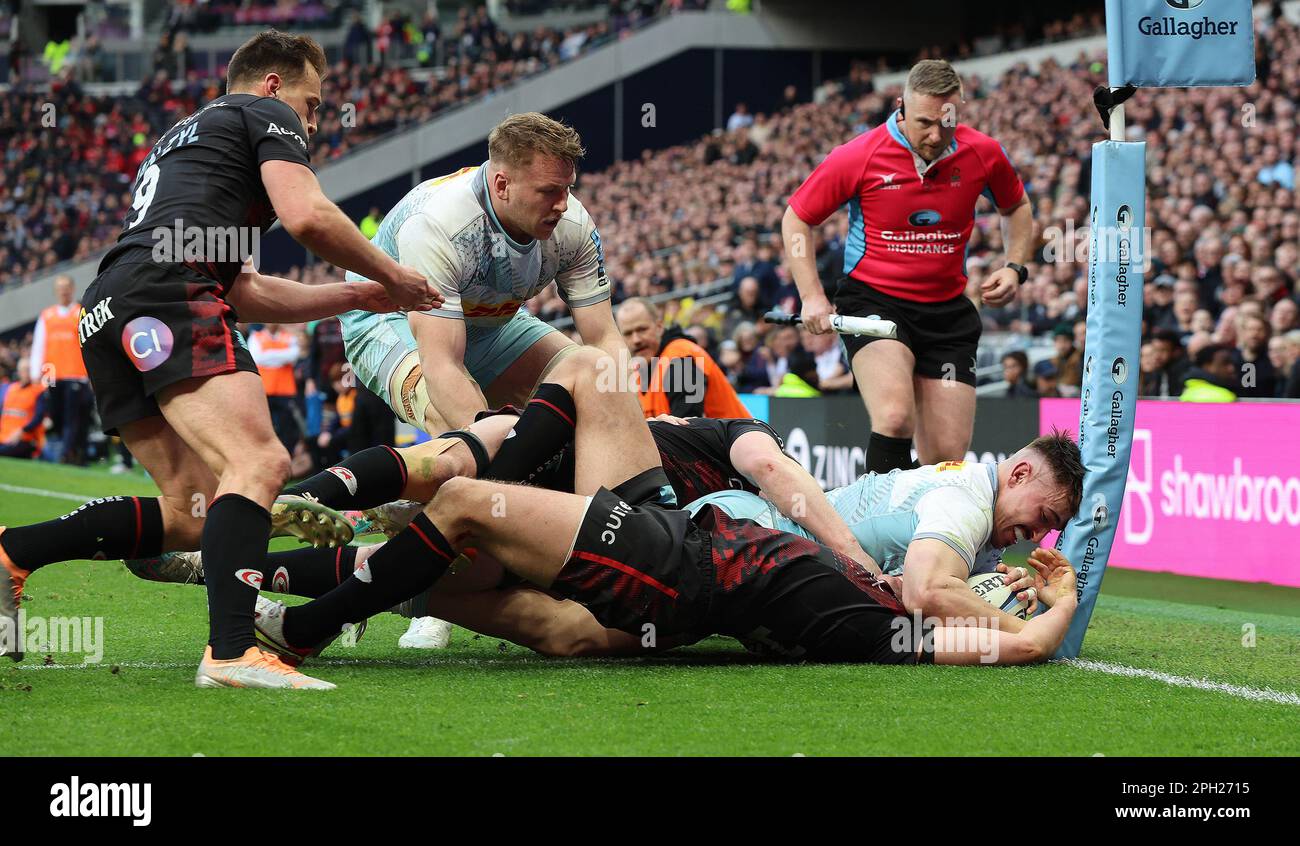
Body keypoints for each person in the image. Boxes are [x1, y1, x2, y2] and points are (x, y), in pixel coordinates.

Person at [1, 30, 438, 682]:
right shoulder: (265, 115)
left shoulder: (189, 142)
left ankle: (13, 555)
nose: (313, 120)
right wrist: (393, 276)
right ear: (272, 85)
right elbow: (308, 216)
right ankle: (231, 652)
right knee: (258, 460)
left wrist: (353, 293)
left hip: (112, 303)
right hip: (166, 292)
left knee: (191, 511)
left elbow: (244, 291)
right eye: (311, 103)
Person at [250, 343, 1081, 668]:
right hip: (669, 538)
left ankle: (345, 570)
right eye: (1044, 514)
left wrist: (1026, 608)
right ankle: (347, 549)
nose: (1037, 534)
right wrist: (1032, 609)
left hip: (679, 563)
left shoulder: (874, 604)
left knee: (553, 621)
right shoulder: (732, 440)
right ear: (1014, 475)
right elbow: (919, 581)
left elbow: (935, 600)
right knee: (493, 460)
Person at [783, 59, 1033, 474]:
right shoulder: (859, 155)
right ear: (901, 106)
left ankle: (916, 527)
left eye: (947, 123)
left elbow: (1017, 206)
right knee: (895, 417)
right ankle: (877, 529)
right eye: (924, 123)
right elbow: (796, 217)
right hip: (873, 302)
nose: (936, 135)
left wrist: (1014, 266)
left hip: (947, 310)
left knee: (946, 456)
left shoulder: (982, 153)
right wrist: (812, 296)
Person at [337, 112, 625, 439]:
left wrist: (637, 418)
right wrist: (498, 448)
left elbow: (604, 338)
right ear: (502, 185)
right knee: (454, 420)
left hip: (487, 320)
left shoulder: (574, 226)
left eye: (567, 189)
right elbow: (442, 363)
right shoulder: (440, 225)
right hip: (393, 318)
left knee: (591, 383)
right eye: (549, 191)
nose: (562, 205)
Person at [616, 297, 751, 418]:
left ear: (659, 326)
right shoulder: (638, 369)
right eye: (628, 333)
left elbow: (688, 431)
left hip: (737, 444)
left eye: (642, 329)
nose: (636, 340)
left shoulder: (681, 358)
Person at [29, 275, 92, 465]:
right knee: (55, 416)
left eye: (66, 287)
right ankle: (68, 451)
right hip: (52, 375)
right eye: (60, 287)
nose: (64, 290)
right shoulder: (47, 315)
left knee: (71, 416)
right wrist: (35, 372)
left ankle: (66, 454)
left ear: (72, 289)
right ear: (56, 290)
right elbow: (39, 344)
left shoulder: (81, 312)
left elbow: (89, 345)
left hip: (76, 375)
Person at [249, 323, 302, 454]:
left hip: (285, 391)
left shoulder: (289, 337)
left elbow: (294, 355)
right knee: (266, 427)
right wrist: (281, 357)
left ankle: (288, 456)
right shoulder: (256, 336)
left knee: (287, 427)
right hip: (264, 391)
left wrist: (268, 355)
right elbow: (257, 358)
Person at [0, 359, 47, 460]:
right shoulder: (10, 389)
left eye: (28, 370)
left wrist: (22, 431)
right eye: (24, 370)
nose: (26, 373)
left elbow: (38, 418)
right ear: (19, 372)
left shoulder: (38, 391)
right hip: (4, 435)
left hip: (24, 439)